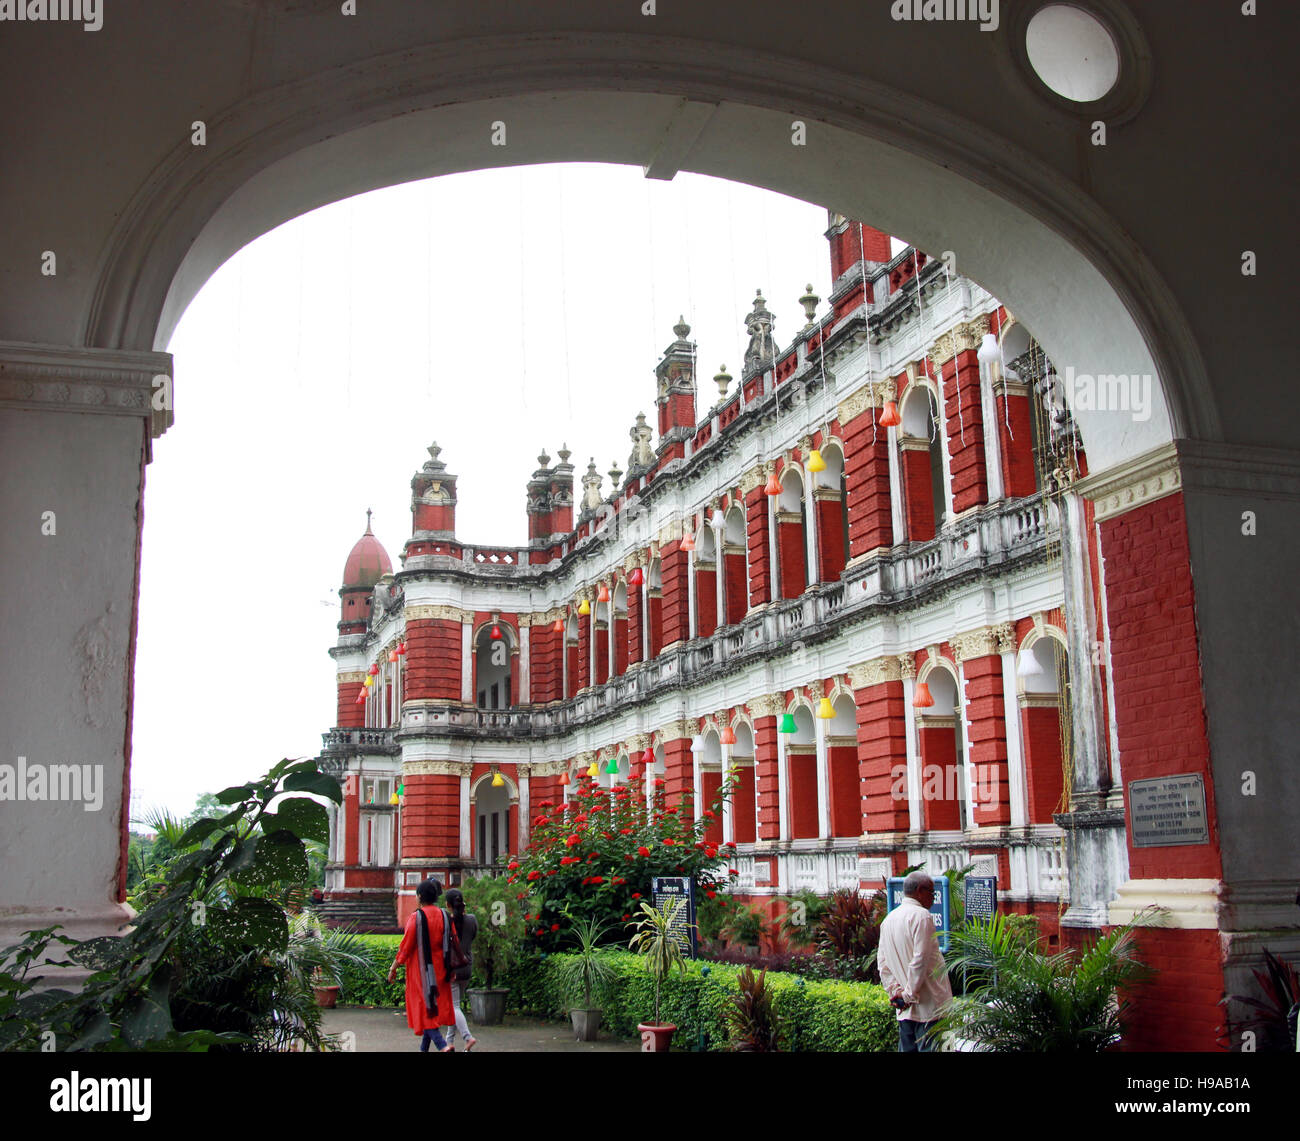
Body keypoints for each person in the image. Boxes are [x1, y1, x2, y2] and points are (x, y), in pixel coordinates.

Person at [877, 871, 953, 1052]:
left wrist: (897, 992)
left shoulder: (888, 920)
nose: (933, 899)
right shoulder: (922, 916)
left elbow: (883, 964)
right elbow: (919, 960)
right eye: (932, 893)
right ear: (920, 891)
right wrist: (909, 995)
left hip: (906, 1011)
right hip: (932, 1008)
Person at [389, 878, 456, 1052]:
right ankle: (423, 1049)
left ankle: (442, 1046)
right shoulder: (444, 915)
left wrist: (393, 967)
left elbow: (406, 947)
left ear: (419, 896)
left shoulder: (416, 917)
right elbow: (453, 940)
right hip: (441, 968)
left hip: (421, 971)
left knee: (424, 1009)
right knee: (432, 1009)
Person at [443, 887, 479, 1052]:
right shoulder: (472, 919)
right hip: (467, 966)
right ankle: (449, 1041)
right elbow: (473, 937)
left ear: (447, 905)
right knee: (455, 1007)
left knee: (454, 1007)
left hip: (453, 969)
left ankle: (467, 1037)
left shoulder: (447, 922)